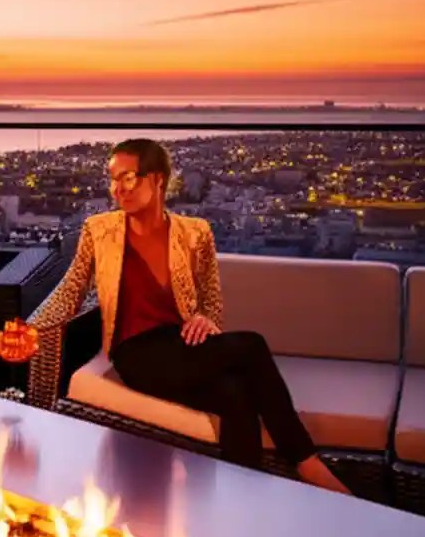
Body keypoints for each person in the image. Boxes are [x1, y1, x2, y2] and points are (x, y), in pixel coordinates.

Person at [26, 138, 350, 494]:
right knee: (253, 346)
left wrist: (206, 320)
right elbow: (71, 291)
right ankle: (305, 461)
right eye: (113, 179)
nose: (117, 190)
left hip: (180, 345)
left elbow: (211, 302)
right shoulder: (99, 231)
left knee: (236, 395)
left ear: (158, 180)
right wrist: (30, 328)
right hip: (136, 354)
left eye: (129, 178)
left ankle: (241, 502)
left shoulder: (196, 234)